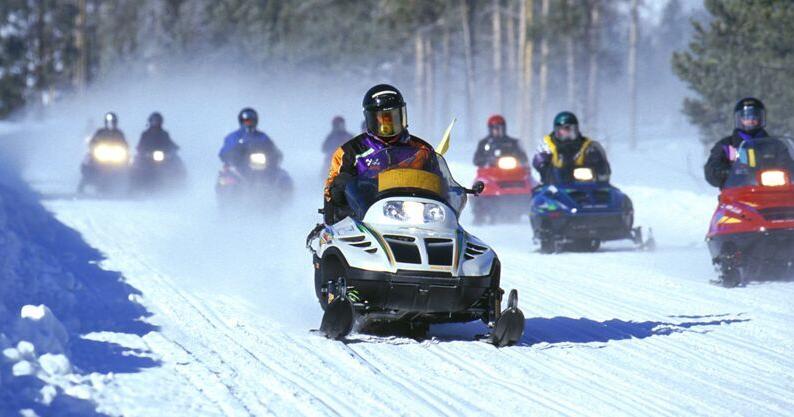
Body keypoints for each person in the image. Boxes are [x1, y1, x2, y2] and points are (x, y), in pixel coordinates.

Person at [324, 84, 436, 224]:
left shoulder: (422, 150)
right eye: (383, 118)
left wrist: (454, 192)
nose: (389, 124)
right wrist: (336, 207)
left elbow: (440, 184)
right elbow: (332, 189)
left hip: (416, 217)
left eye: (394, 117)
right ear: (371, 119)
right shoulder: (350, 151)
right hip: (366, 219)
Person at [704, 98, 771, 188]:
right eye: (747, 117)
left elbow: (789, 165)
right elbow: (711, 172)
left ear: (760, 119)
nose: (751, 121)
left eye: (755, 117)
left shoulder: (773, 145)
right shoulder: (727, 146)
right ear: (740, 119)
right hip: (736, 194)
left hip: (771, 192)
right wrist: (726, 172)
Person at [532, 111, 610, 184]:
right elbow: (538, 160)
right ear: (557, 131)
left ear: (576, 130)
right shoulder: (547, 145)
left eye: (570, 130)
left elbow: (602, 168)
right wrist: (543, 166)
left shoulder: (588, 146)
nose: (567, 134)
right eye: (563, 131)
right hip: (554, 187)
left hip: (585, 187)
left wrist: (597, 164)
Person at [219, 107, 283, 168]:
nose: (249, 124)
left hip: (261, 167)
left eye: (251, 121)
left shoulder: (262, 136)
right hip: (240, 167)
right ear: (241, 121)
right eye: (247, 121)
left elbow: (273, 149)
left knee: (282, 174)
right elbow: (224, 152)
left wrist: (275, 155)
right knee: (227, 175)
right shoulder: (234, 137)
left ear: (255, 121)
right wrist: (232, 155)